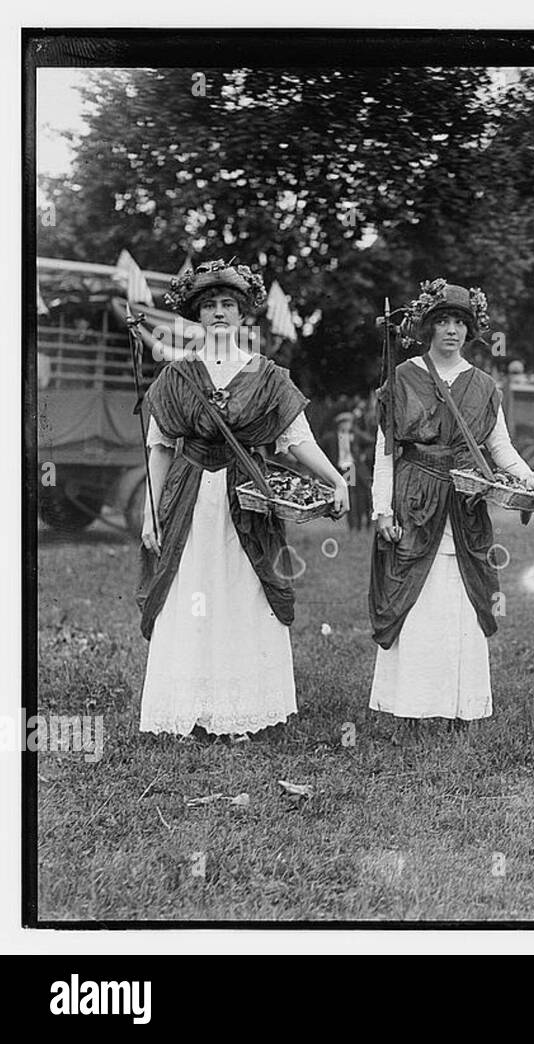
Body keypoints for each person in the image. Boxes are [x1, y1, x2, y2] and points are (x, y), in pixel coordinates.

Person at [137, 260, 349, 741]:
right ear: (196, 313)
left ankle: (241, 713)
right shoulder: (176, 376)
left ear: (241, 315)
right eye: (209, 305)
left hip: (248, 499)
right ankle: (188, 709)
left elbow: (297, 440)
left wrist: (336, 479)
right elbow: (159, 447)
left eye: (227, 305)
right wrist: (151, 511)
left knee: (242, 591)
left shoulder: (268, 376)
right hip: (190, 499)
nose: (218, 313)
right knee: (192, 592)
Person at [368, 279, 534, 745]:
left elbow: (499, 446)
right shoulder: (402, 376)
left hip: (465, 503)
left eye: (459, 323)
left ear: (470, 331)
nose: (451, 330)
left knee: (462, 598)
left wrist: (528, 477)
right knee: (415, 595)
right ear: (427, 327)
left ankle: (460, 704)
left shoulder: (484, 386)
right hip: (414, 496)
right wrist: (380, 509)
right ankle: (411, 703)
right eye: (442, 321)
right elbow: (386, 450)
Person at [320, 410, 373, 531]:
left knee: (360, 496)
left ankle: (361, 524)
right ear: (339, 424)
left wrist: (363, 454)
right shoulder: (331, 437)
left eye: (349, 423)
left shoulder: (355, 435)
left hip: (352, 468)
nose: (348, 426)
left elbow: (371, 442)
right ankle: (353, 525)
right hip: (341, 468)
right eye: (345, 423)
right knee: (350, 497)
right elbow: (320, 447)